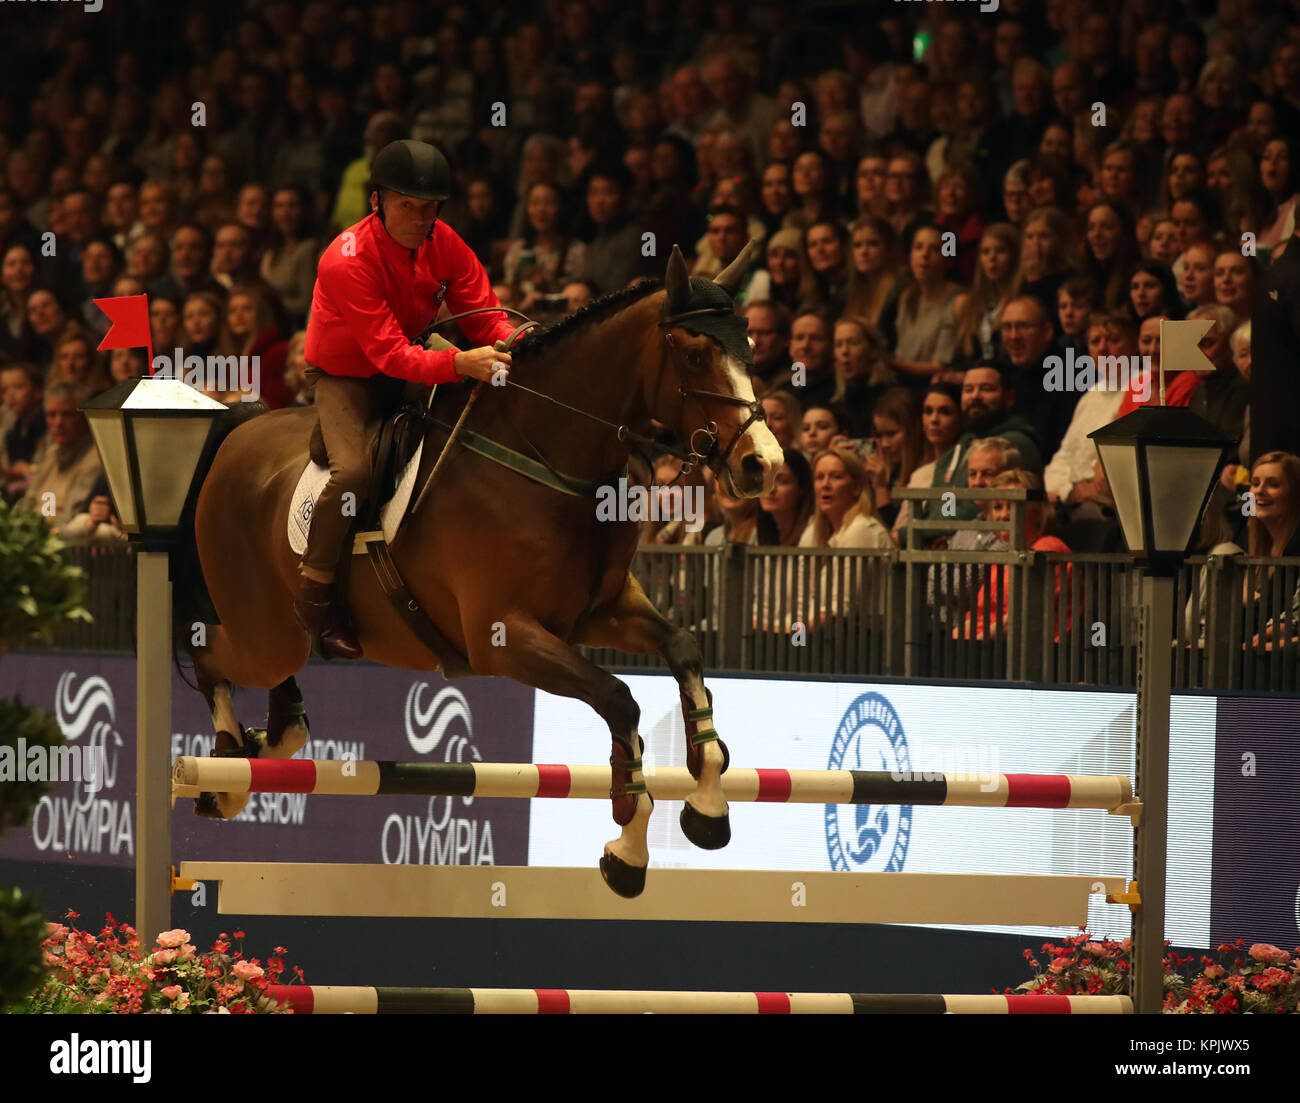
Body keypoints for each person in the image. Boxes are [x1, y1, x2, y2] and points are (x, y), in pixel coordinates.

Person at [300, 139, 520, 658]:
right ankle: (316, 595)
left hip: (416, 350)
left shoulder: (444, 241)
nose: (422, 219)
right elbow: (389, 357)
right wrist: (461, 363)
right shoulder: (346, 259)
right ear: (377, 201)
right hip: (348, 375)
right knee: (352, 473)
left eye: (430, 209)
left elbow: (484, 315)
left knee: (496, 403)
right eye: (408, 207)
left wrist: (520, 342)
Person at [17, 380, 103, 535]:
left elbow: (72, 515)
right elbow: (27, 503)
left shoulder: (95, 458)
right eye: (51, 415)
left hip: (60, 542)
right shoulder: (51, 453)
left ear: (84, 417)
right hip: (30, 537)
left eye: (67, 415)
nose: (58, 422)